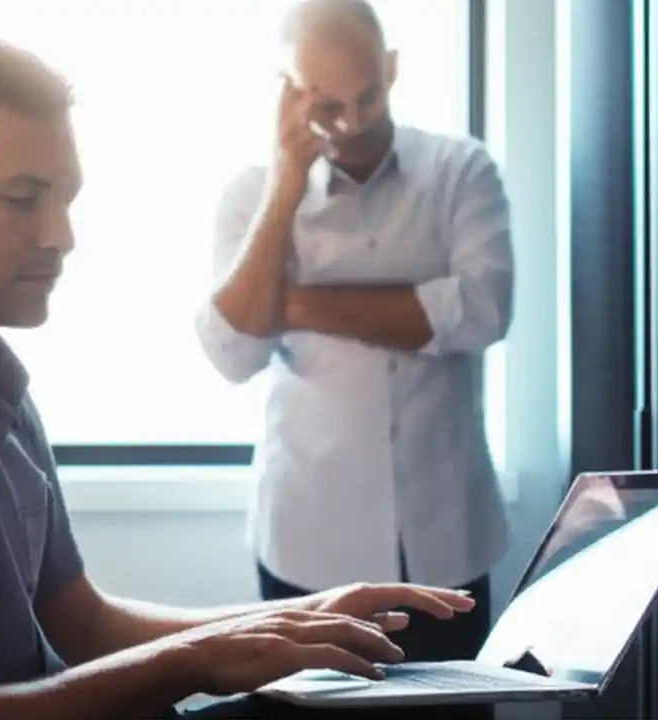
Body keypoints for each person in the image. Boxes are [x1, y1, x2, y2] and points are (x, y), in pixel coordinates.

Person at [0, 29, 479, 720]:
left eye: (66, 200)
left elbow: (77, 622)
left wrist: (290, 621)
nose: (62, 237)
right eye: (23, 201)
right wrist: (196, 662)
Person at [196, 0, 515, 665]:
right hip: (308, 546)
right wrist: (286, 187)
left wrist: (294, 304)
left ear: (392, 68)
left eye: (366, 98)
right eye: (327, 106)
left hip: (447, 541)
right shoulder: (248, 197)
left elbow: (483, 309)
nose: (350, 123)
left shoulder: (462, 171)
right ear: (289, 91)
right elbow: (233, 350)